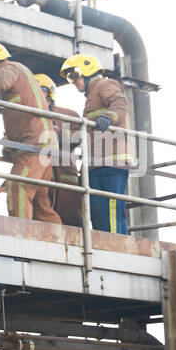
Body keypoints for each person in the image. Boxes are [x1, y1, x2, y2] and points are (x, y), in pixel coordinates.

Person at [0, 41, 60, 223]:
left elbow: (0, 81)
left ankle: (20, 233)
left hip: (34, 144)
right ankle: (56, 238)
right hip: (39, 143)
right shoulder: (18, 75)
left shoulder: (11, 68)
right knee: (41, 203)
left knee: (18, 187)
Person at [59, 53, 137, 234]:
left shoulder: (104, 84)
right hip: (96, 162)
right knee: (98, 210)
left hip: (111, 160)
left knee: (109, 209)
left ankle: (115, 247)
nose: (73, 82)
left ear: (85, 70)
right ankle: (110, 244)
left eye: (73, 76)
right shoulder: (91, 97)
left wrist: (108, 117)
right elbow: (88, 131)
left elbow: (120, 104)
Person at [35, 73, 83, 226]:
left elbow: (81, 137)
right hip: (39, 173)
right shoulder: (25, 116)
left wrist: (59, 134)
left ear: (49, 92)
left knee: (71, 214)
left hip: (65, 173)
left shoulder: (67, 115)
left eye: (40, 90)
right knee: (41, 214)